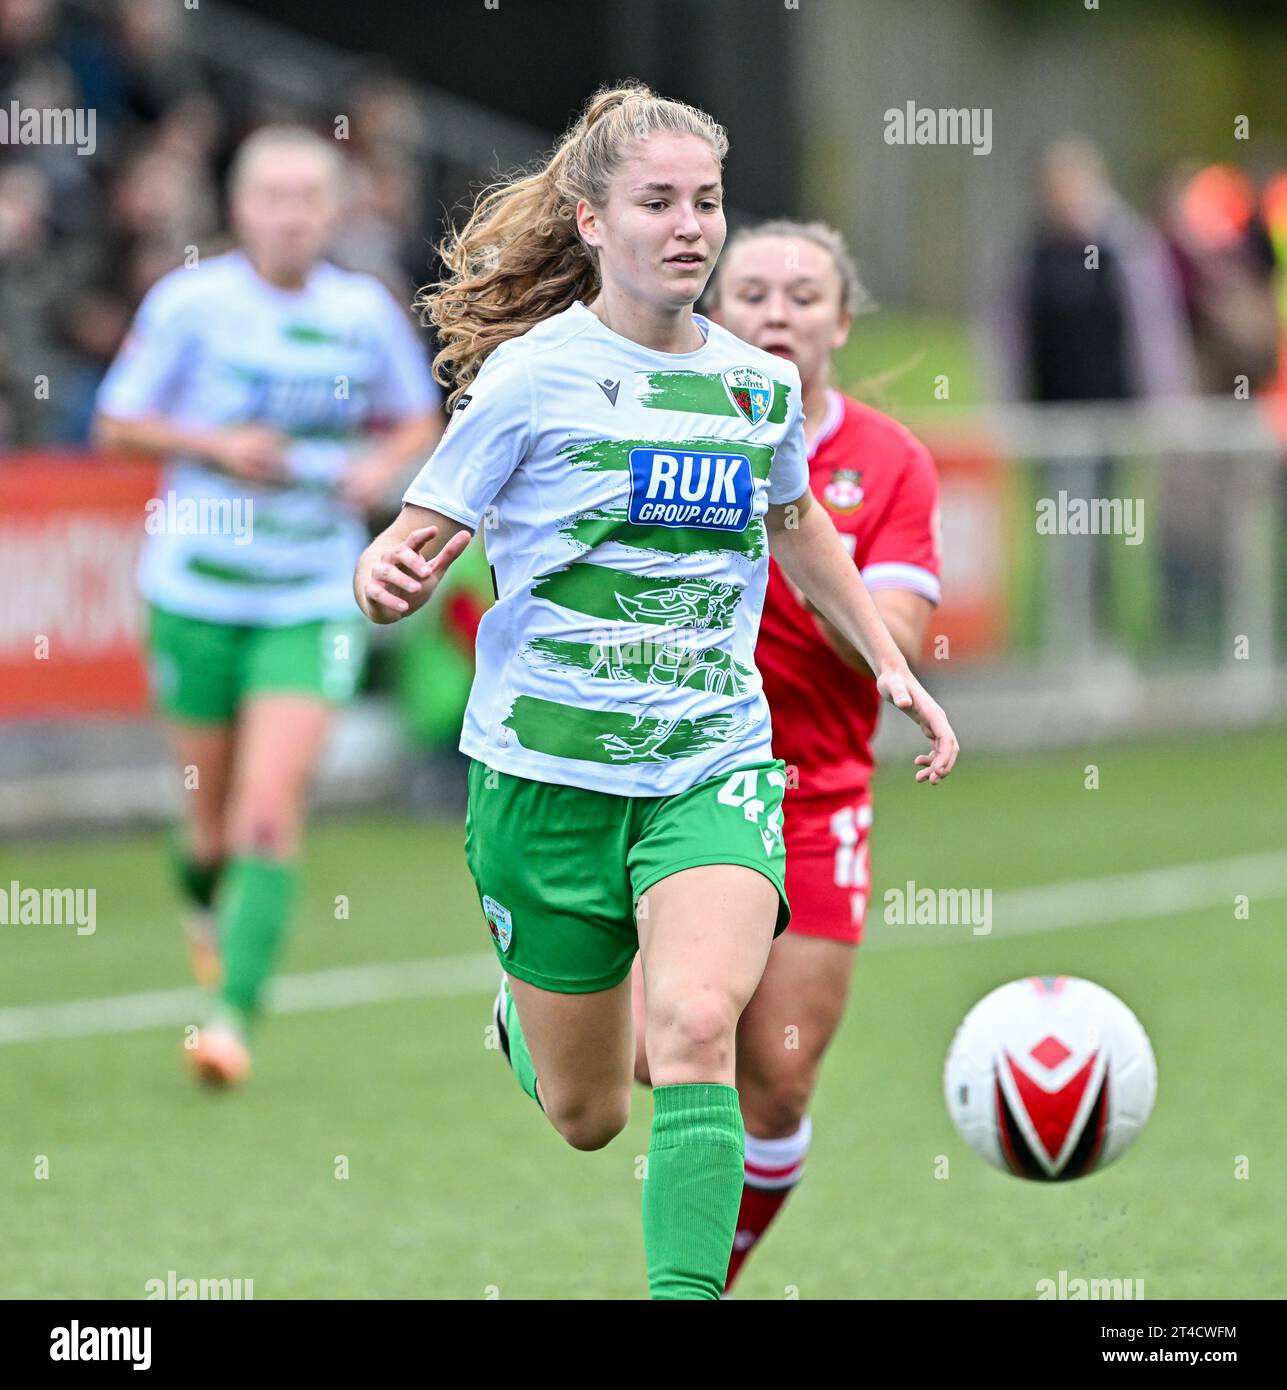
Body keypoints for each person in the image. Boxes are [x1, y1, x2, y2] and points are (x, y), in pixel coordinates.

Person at [354, 82, 958, 1301]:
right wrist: (386, 570)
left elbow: (795, 526)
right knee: (587, 1113)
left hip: (712, 762)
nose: (690, 227)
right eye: (658, 203)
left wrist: (892, 666)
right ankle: (531, 1019)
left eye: (707, 202)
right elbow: (418, 534)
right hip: (546, 778)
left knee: (696, 1028)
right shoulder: (529, 379)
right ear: (590, 221)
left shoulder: (756, 387)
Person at [93, 125, 444, 1087]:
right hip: (196, 593)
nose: (290, 214)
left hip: (310, 597)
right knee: (205, 831)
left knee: (263, 816)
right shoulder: (190, 305)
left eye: (308, 197)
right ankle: (205, 914)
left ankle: (230, 1023)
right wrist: (214, 448)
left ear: (335, 211)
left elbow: (419, 415)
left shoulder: (362, 312)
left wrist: (376, 467)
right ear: (239, 208)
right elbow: (116, 426)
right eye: (271, 196)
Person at [629, 219, 942, 1292]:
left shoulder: (889, 461)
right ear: (714, 311)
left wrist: (785, 524)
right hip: (674, 779)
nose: (775, 312)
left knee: (782, 1084)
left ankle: (702, 1281)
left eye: (803, 296)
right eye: (751, 291)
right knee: (654, 1051)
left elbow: (890, 637)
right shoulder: (663, 427)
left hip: (815, 797)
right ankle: (534, 1005)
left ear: (841, 323)